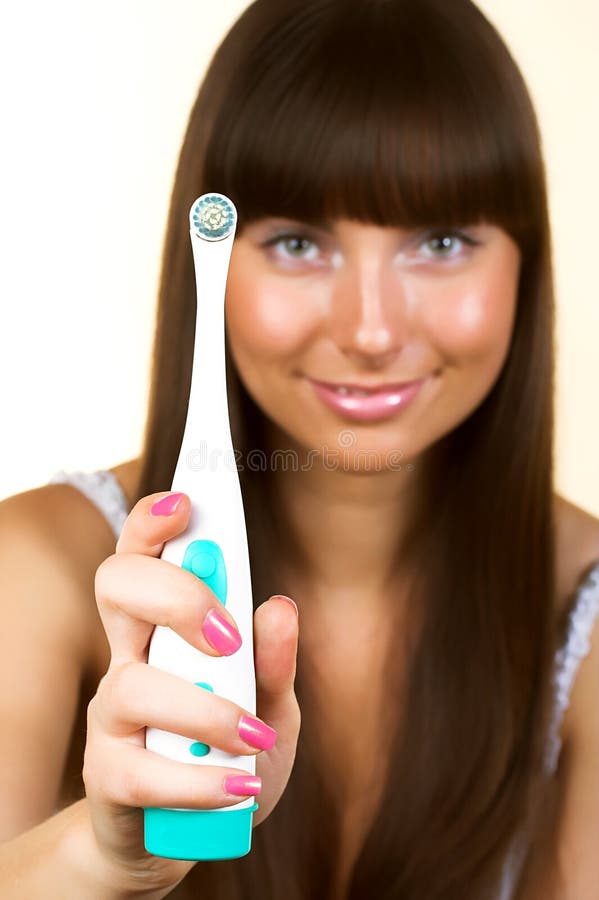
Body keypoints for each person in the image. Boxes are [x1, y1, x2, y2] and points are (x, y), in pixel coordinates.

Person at [1, 0, 599, 897]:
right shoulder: (35, 569)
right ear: (210, 260)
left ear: (527, 262)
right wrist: (102, 855)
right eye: (295, 242)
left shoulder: (579, 611)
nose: (368, 330)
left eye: (440, 241)